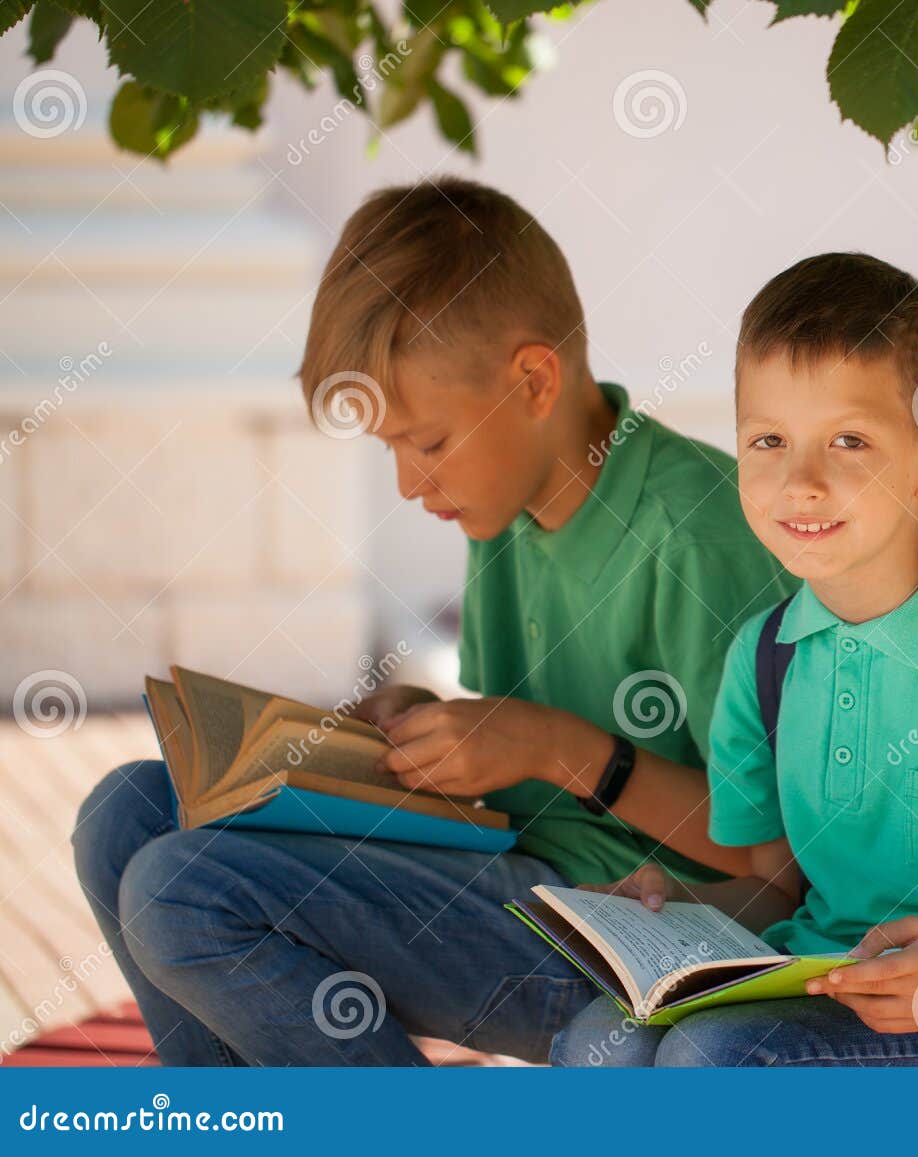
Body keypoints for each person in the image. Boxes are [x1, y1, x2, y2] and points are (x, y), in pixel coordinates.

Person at [71, 177, 794, 1065]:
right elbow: (520, 762)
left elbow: (783, 863)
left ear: (534, 380)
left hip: (631, 930)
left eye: (429, 442)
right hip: (518, 872)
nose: (413, 485)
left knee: (180, 891)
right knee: (125, 814)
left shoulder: (698, 538)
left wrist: (559, 749)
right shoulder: (510, 506)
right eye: (393, 450)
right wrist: (428, 733)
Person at [552, 252, 918, 1067]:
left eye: (848, 440)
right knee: (600, 1041)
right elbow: (779, 890)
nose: (799, 482)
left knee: (717, 1063)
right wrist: (673, 906)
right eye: (768, 439)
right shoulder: (763, 658)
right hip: (812, 986)